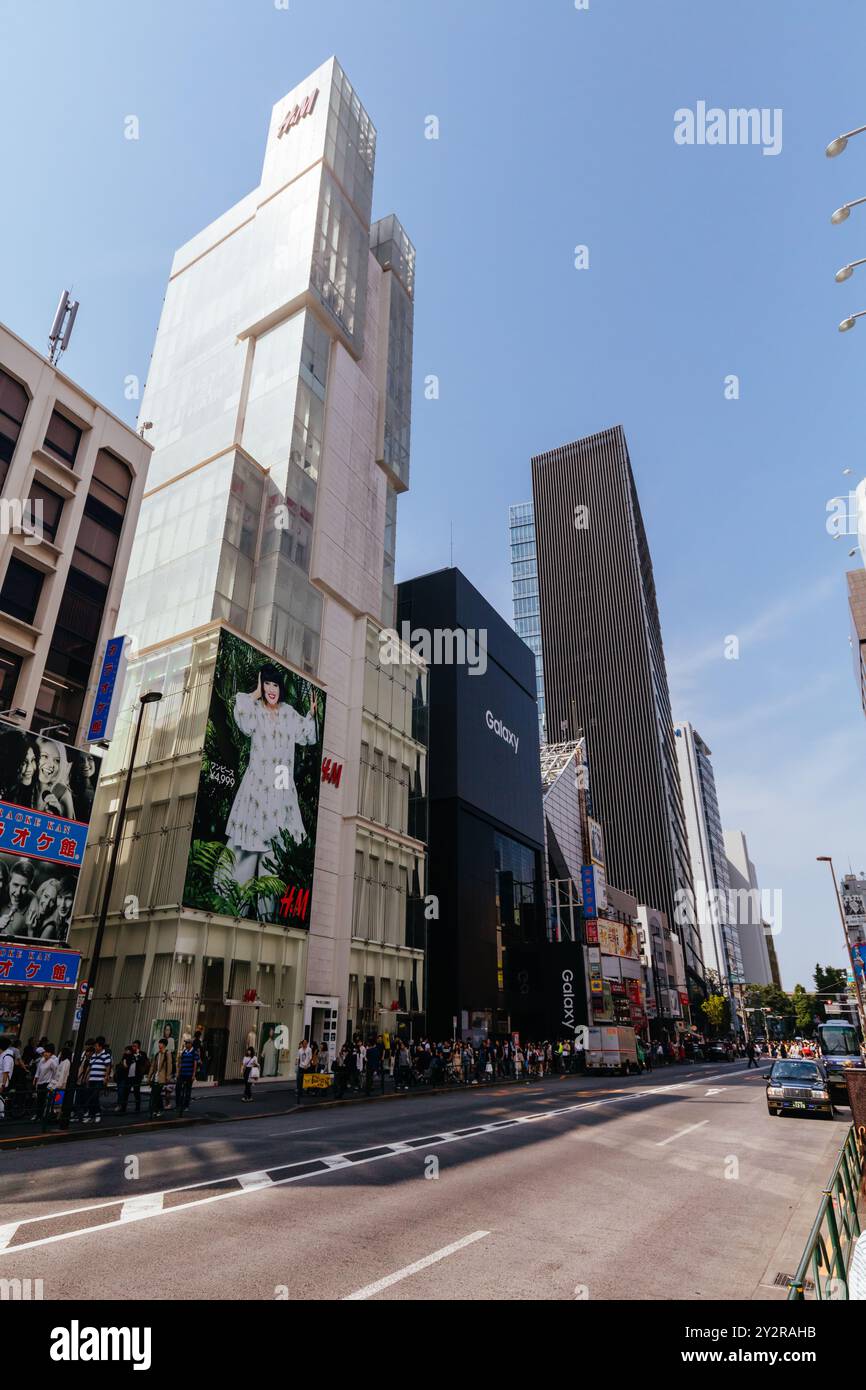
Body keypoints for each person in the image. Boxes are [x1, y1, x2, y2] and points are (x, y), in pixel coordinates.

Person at [222, 665, 319, 901]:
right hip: (258, 778)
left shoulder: (288, 712)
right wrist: (255, 692)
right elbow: (243, 720)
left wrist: (312, 714)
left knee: (276, 850)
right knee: (246, 846)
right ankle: (233, 900)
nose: (271, 689)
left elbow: (308, 735)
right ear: (261, 685)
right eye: (267, 684)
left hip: (281, 779)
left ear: (280, 688)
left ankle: (269, 912)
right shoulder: (254, 709)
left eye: (275, 684)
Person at [37, 739, 75, 818]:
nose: (51, 765)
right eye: (44, 756)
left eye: (57, 760)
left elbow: (71, 828)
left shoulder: (62, 792)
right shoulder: (26, 783)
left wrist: (58, 815)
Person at [0, 859, 35, 938]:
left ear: (30, 886)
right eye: (15, 885)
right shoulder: (2, 891)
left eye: (24, 887)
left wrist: (34, 899)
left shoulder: (32, 910)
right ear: (9, 881)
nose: (18, 892)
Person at [83, 1036, 112, 1124]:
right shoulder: (93, 1056)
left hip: (99, 1079)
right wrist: (86, 1077)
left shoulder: (105, 1055)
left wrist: (106, 1077)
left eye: (96, 1046)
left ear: (100, 1046)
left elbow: (108, 1067)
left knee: (95, 1096)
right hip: (92, 1078)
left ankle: (97, 1113)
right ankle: (92, 1114)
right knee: (90, 1097)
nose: (95, 1048)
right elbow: (90, 1067)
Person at [116, 1041, 147, 1114]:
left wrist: (138, 1054)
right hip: (128, 1076)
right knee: (126, 1093)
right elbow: (124, 1059)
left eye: (135, 1046)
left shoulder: (142, 1054)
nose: (133, 1047)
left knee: (136, 1092)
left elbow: (143, 1061)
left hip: (137, 1076)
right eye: (133, 1046)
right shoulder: (129, 1053)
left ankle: (137, 1108)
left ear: (138, 1047)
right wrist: (125, 1060)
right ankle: (123, 1109)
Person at [31, 1043, 59, 1121]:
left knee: (43, 1100)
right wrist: (35, 1079)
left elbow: (56, 1072)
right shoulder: (42, 1060)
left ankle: (41, 1116)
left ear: (51, 1054)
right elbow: (38, 1071)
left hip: (46, 1083)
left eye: (48, 1052)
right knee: (38, 1100)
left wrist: (52, 1081)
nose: (46, 1054)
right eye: (45, 1052)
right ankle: (37, 1115)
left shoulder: (52, 1061)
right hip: (39, 1082)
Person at [68, 750, 98, 820]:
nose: (86, 764)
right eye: (81, 760)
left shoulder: (99, 788)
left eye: (90, 759)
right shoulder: (69, 790)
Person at [147, 1039, 172, 1116]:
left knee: (156, 1094)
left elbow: (169, 1065)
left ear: (164, 1045)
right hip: (155, 1077)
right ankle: (158, 1110)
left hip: (162, 1078)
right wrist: (149, 1076)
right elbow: (152, 1066)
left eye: (160, 1044)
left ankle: (156, 1110)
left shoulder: (167, 1053)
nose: (159, 1045)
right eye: (159, 1043)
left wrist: (168, 1077)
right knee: (155, 1094)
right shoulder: (157, 1054)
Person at [175, 1038, 197, 1114]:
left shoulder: (194, 1052)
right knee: (178, 1088)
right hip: (182, 1073)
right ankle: (178, 1104)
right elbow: (181, 1062)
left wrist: (193, 1074)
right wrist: (178, 1072)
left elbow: (195, 1063)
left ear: (190, 1044)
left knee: (187, 1090)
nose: (186, 1044)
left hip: (189, 1074)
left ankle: (186, 1106)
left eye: (187, 1043)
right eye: (185, 1043)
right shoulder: (184, 1052)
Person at [296, 1036, 312, 1103]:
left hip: (307, 1066)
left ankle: (308, 1090)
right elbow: (297, 1058)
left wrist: (307, 1065)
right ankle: (300, 1092)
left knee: (307, 1079)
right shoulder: (300, 1050)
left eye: (306, 1043)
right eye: (303, 1043)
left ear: (307, 1043)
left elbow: (310, 1058)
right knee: (300, 1080)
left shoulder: (309, 1049)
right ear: (302, 1044)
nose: (304, 1044)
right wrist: (296, 1063)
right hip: (301, 1066)